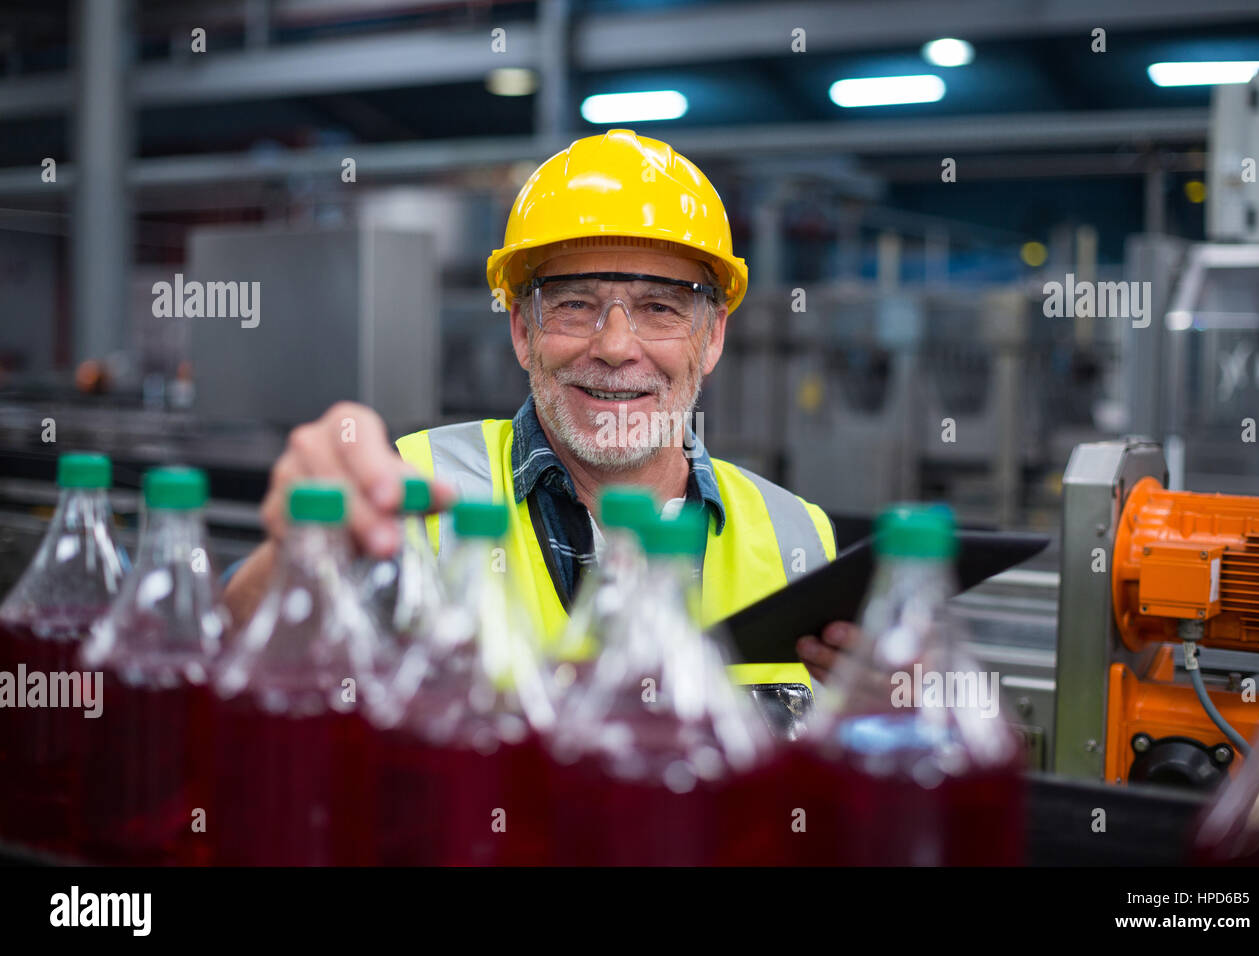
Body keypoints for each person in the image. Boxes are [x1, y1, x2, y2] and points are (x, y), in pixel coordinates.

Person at [222, 128, 855, 691]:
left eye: (660, 308)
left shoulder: (798, 536)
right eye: (574, 305)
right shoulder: (415, 490)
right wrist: (295, 559)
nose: (613, 347)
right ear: (523, 331)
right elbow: (238, 659)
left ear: (712, 337)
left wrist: (881, 709)